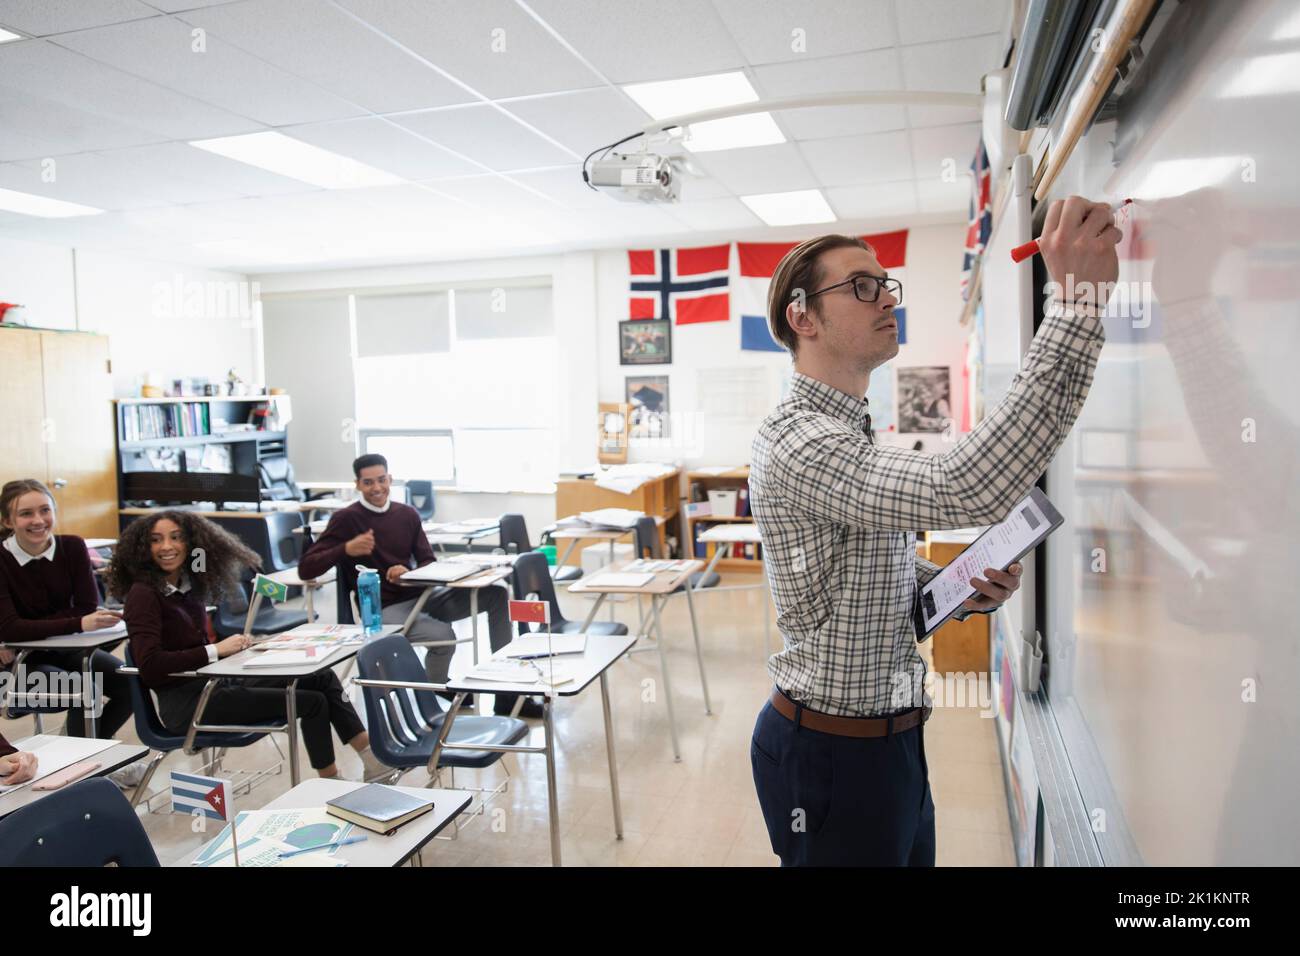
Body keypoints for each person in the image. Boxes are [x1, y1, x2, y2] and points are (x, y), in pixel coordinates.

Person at [748, 195, 1121, 865]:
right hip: (831, 752)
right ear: (801, 316)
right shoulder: (800, 441)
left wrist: (955, 586)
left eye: (885, 283)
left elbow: (860, 584)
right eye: (861, 287)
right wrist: (1074, 302)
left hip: (890, 744)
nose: (886, 297)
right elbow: (963, 487)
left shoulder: (847, 430)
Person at [106, 510, 387, 782]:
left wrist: (238, 649)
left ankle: (373, 760)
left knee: (319, 677)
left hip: (215, 683)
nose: (167, 546)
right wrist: (217, 650)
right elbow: (151, 667)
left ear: (191, 543)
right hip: (190, 705)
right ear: (143, 548)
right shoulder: (143, 595)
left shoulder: (186, 587)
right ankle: (329, 782)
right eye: (156, 540)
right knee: (312, 702)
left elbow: (197, 649)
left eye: (176, 537)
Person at [298, 454, 538, 718]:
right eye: (368, 483)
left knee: (497, 595)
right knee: (444, 636)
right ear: (357, 485)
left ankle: (507, 694)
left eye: (381, 480)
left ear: (390, 479)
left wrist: (409, 572)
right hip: (384, 607)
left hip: (423, 593)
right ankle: (433, 694)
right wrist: (345, 548)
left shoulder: (407, 514)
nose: (377, 488)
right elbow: (306, 568)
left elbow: (427, 560)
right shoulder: (346, 519)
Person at [0, 479, 131, 740]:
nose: (38, 520)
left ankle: (87, 758)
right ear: (7, 522)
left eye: (45, 510)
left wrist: (27, 629)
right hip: (14, 668)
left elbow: (86, 606)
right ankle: (83, 764)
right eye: (26, 513)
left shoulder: (72, 547)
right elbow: (11, 627)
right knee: (86, 690)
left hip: (63, 650)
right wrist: (78, 623)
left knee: (132, 683)